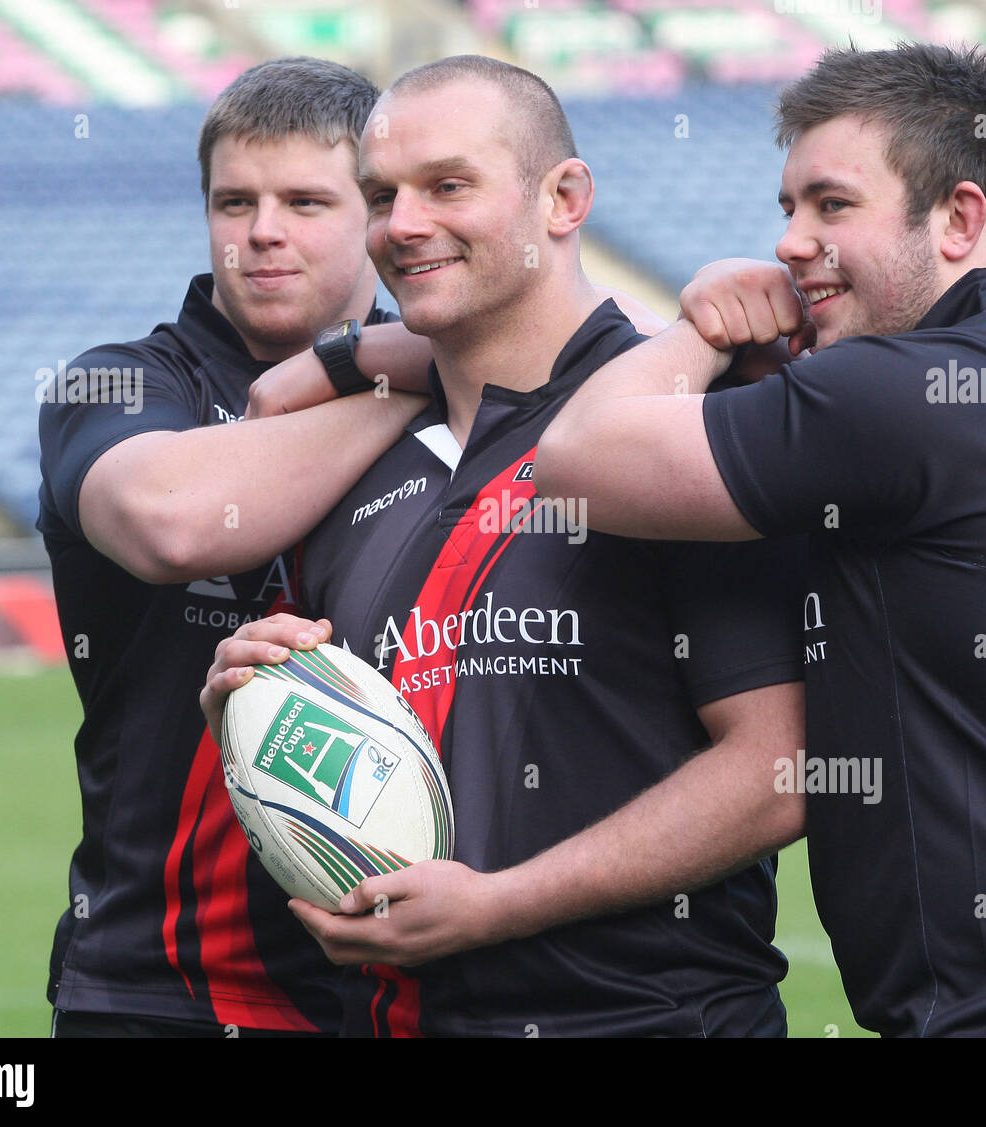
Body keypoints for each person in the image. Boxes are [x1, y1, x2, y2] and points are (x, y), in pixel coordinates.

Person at [535, 42, 986, 1036]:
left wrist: (697, 330)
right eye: (786, 208)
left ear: (961, 217)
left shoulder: (913, 389)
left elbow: (575, 460)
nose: (791, 242)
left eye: (831, 206)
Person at [201, 54, 807, 1037]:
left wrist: (502, 902)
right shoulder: (353, 454)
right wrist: (255, 699)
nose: (402, 224)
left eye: (448, 186)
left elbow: (781, 764)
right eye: (381, 195)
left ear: (563, 198)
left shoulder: (682, 420)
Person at [37, 57, 443, 1037]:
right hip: (164, 983)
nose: (261, 231)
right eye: (234, 200)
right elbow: (169, 517)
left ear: (379, 216)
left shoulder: (460, 396)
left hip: (408, 985)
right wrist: (402, 384)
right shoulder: (120, 383)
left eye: (306, 200)